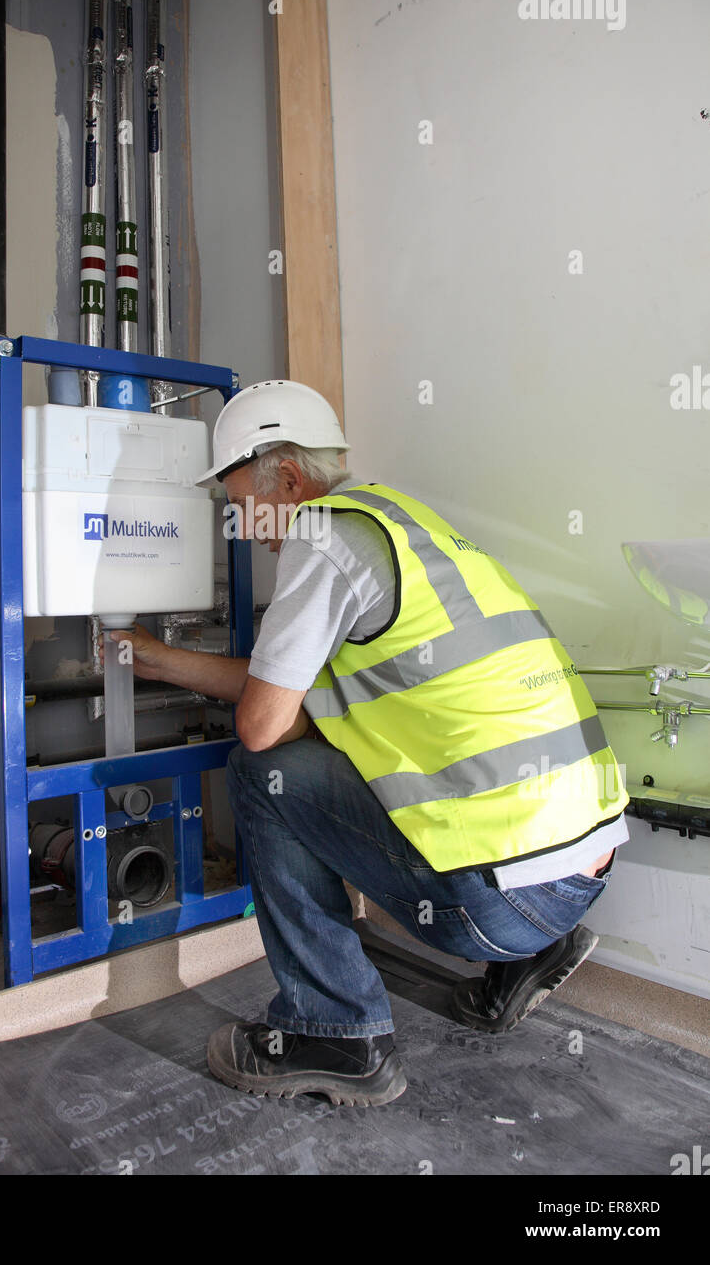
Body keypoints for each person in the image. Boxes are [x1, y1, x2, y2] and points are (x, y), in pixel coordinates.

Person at [102, 379, 629, 1108]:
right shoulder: (405, 523)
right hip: (584, 874)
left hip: (503, 903)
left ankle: (334, 1032)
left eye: (241, 505)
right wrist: (158, 658)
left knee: (261, 770)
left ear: (286, 477)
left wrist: (286, 722)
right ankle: (530, 957)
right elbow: (287, 692)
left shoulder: (319, 536)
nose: (246, 529)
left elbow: (261, 725)